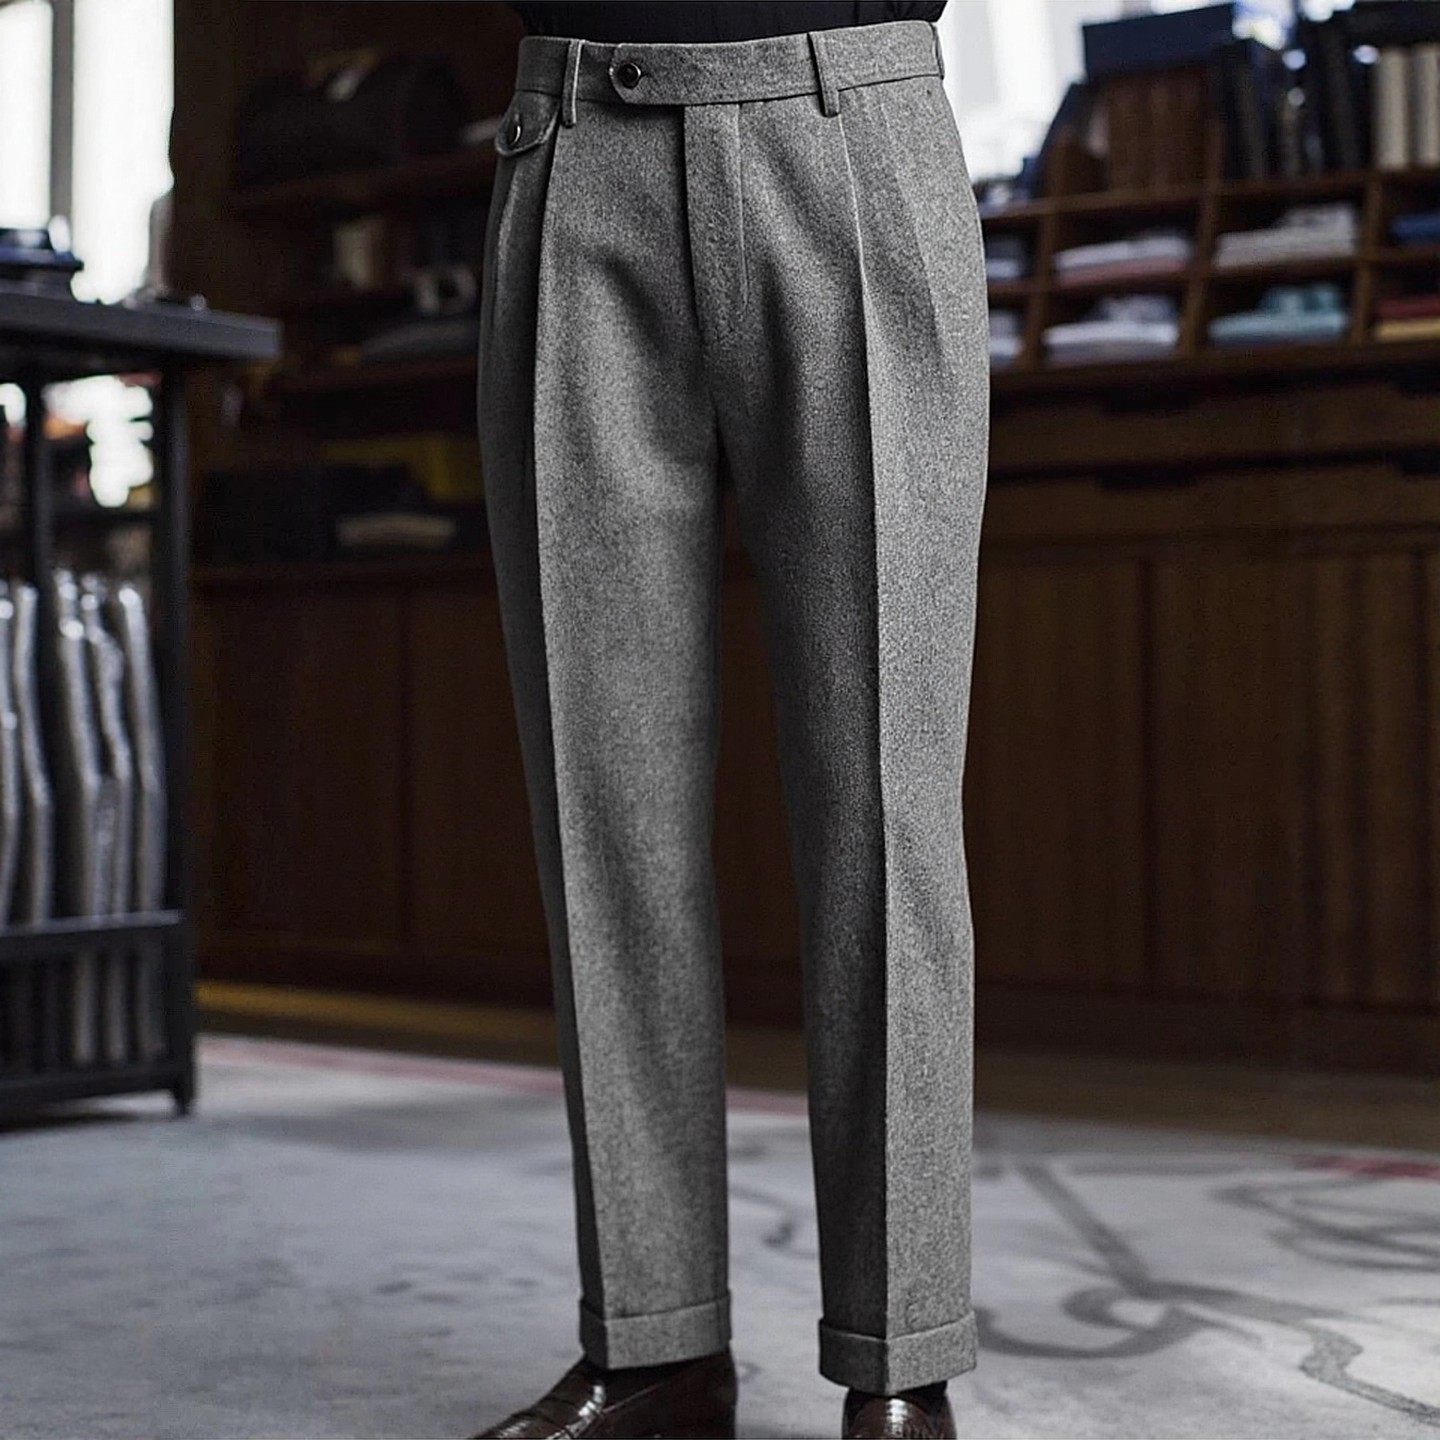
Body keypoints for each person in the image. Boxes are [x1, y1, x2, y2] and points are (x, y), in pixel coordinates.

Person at [475, 3, 987, 1435]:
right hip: (577, 134)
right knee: (605, 808)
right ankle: (655, 1349)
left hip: (855, 121)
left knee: (882, 809)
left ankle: (902, 1362)